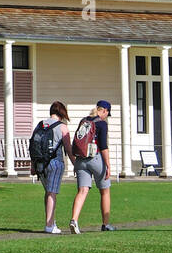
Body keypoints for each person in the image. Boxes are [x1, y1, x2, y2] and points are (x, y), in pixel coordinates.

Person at [69, 100, 116, 233]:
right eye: (107, 113)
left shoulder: (84, 121)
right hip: (95, 158)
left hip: (80, 159)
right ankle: (106, 224)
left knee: (82, 191)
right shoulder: (102, 124)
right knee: (105, 191)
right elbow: (103, 146)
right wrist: (108, 165)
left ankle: (74, 220)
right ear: (104, 111)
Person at [37, 102, 72, 233]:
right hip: (55, 163)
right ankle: (49, 224)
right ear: (62, 113)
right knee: (52, 193)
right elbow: (68, 149)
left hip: (40, 163)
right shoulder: (62, 127)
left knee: (47, 192)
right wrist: (75, 164)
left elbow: (33, 144)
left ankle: (50, 221)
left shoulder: (40, 125)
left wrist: (33, 165)